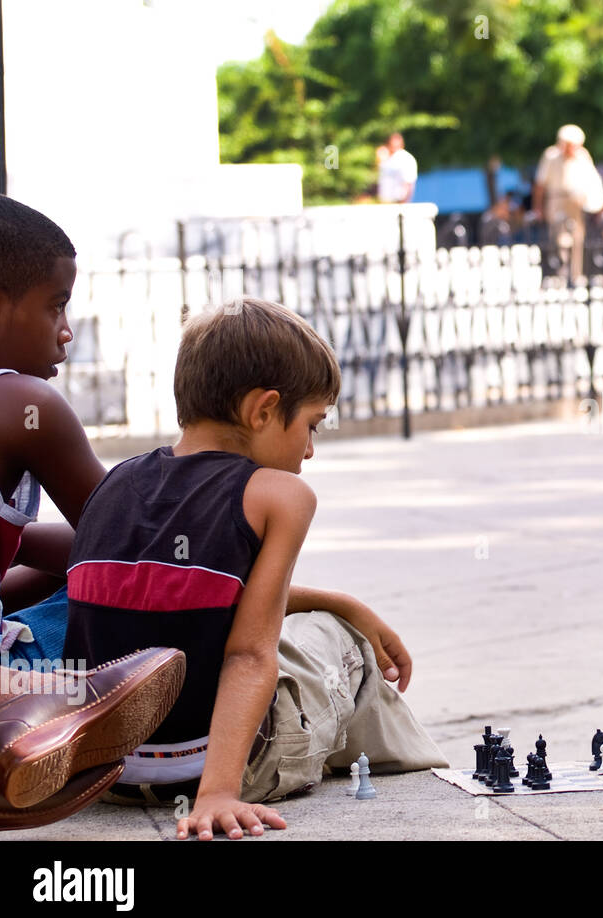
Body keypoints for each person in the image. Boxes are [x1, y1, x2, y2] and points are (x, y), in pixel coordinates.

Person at [61, 298, 448, 839]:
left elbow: (197, 598)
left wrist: (341, 598)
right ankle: (414, 765)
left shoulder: (116, 481)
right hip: (213, 773)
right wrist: (217, 793)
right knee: (341, 640)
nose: (310, 450)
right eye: (311, 425)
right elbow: (247, 654)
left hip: (107, 771)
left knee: (328, 618)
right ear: (263, 411)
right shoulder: (281, 496)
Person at [0, 192, 188, 832]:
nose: (67, 329)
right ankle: (29, 708)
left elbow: (10, 576)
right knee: (154, 613)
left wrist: (53, 561)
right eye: (56, 304)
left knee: (66, 587)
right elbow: (125, 546)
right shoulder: (22, 403)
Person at [533, 124, 603, 282]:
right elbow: (540, 184)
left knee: (577, 238)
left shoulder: (582, 155)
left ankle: (574, 276)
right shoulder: (551, 156)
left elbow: (593, 181)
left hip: (577, 203)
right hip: (557, 201)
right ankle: (561, 273)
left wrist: (597, 204)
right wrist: (537, 207)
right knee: (560, 239)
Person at [376, 132, 418, 204]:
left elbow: (409, 183)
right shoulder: (386, 159)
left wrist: (404, 202)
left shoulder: (405, 158)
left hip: (398, 201)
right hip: (384, 201)